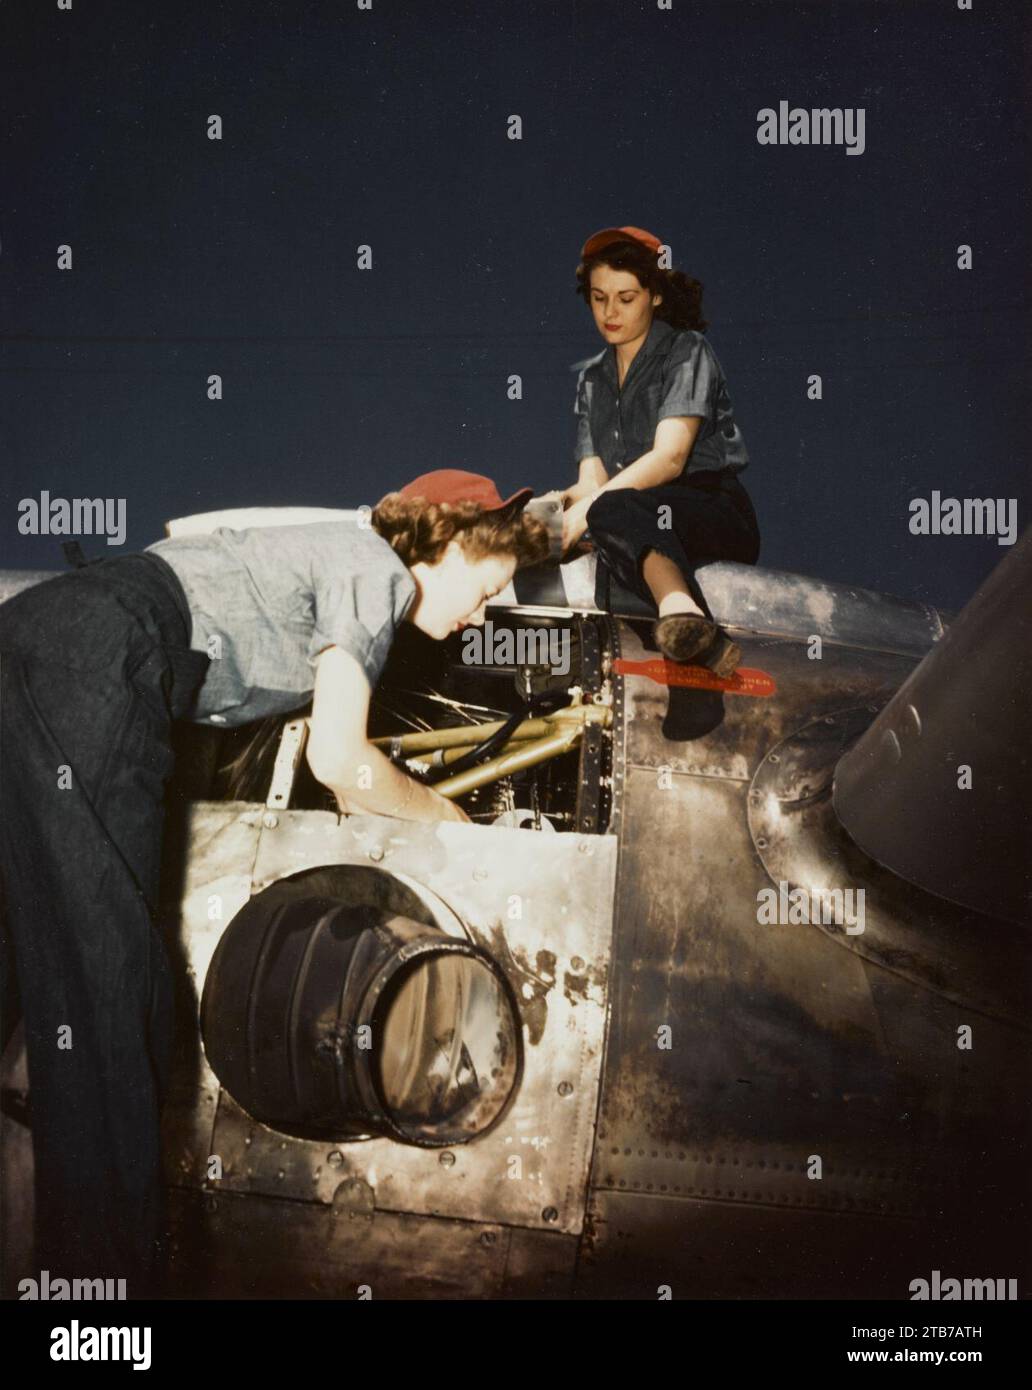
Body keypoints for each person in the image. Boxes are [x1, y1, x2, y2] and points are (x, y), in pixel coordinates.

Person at [0, 468, 547, 1297]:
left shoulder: (334, 555)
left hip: (42, 641)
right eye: (489, 584)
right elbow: (340, 762)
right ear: (448, 539)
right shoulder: (376, 571)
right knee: (115, 1004)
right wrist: (447, 818)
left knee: (27, 971)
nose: (483, 613)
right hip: (106, 655)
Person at [554, 225, 761, 676]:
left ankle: (683, 615)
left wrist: (586, 510)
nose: (610, 312)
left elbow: (670, 458)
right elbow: (593, 481)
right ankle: (699, 650)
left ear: (656, 296)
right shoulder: (591, 379)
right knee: (597, 515)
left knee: (607, 509)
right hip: (630, 510)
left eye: (626, 299)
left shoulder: (687, 351)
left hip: (711, 507)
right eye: (598, 297)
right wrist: (548, 514)